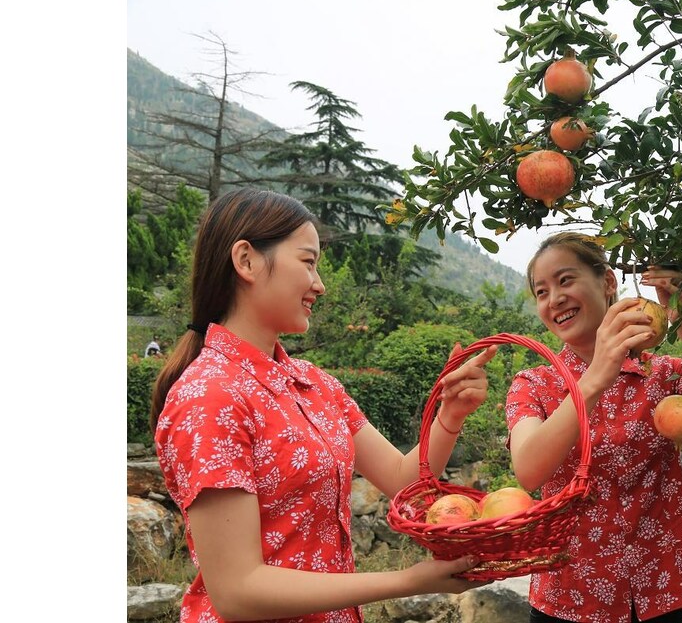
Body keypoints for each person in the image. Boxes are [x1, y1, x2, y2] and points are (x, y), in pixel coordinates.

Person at [150, 188, 498, 622]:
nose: (320, 284)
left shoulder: (315, 384)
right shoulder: (209, 395)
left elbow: (402, 478)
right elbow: (237, 591)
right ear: (246, 261)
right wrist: (409, 580)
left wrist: (450, 413)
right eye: (308, 262)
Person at [504, 232, 682, 623]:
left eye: (565, 280)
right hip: (568, 600)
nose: (553, 298)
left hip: (656, 596)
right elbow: (529, 470)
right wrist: (593, 380)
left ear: (607, 283)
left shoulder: (666, 376)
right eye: (541, 291)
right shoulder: (535, 384)